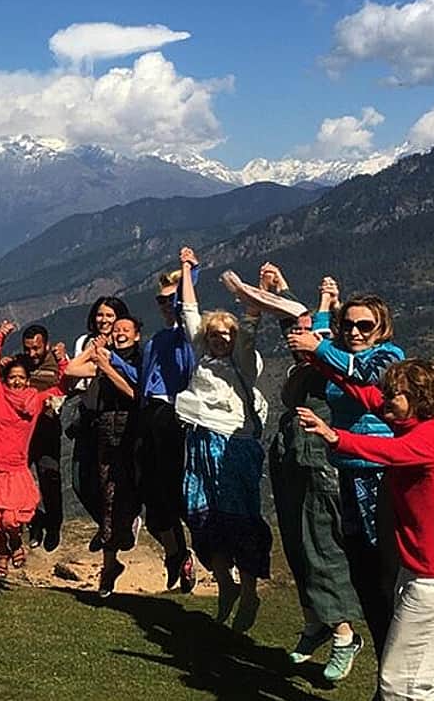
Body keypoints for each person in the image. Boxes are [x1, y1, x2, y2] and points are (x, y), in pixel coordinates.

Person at [298, 359, 434, 701]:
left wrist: (334, 436)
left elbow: (389, 451)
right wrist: (322, 363)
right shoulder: (417, 425)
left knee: (397, 682)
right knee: (423, 678)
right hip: (433, 570)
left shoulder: (431, 438)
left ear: (419, 398)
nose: (386, 398)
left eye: (395, 394)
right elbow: (367, 396)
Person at [287, 288, 404, 674]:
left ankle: (396, 656)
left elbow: (364, 373)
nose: (354, 331)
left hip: (377, 468)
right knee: (359, 561)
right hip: (347, 466)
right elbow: (327, 343)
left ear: (381, 327)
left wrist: (319, 348)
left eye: (364, 325)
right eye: (348, 324)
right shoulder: (340, 351)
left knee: (381, 562)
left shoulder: (389, 356)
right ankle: (380, 655)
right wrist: (325, 308)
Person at [261, 269, 364, 679]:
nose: (299, 338)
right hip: (291, 457)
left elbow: (318, 335)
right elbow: (297, 322)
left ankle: (343, 633)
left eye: (311, 334)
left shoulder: (334, 366)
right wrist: (282, 288)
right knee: (295, 543)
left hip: (320, 462)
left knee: (321, 542)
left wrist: (327, 305)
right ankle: (315, 621)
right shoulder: (305, 363)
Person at [174, 247, 270, 631]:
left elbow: (249, 331)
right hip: (199, 439)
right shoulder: (201, 355)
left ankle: (249, 591)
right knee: (200, 511)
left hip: (233, 443)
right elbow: (189, 312)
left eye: (227, 335)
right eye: (215, 334)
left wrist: (255, 295)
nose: (221, 339)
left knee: (239, 516)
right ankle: (225, 583)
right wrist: (186, 268)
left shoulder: (244, 361)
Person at [0, 321, 65, 580]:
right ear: (5, 380)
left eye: (21, 378)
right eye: (12, 378)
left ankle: (26, 538)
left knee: (14, 515)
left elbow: (64, 386)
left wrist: (63, 361)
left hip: (23, 458)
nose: (17, 381)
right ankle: (3, 551)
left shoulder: (35, 399)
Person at [116, 268, 197, 593]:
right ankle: (176, 553)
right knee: (150, 490)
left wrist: (189, 271)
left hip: (173, 413)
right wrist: (111, 361)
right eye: (161, 300)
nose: (166, 305)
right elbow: (142, 378)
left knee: (170, 489)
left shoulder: (187, 338)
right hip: (149, 412)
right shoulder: (157, 341)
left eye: (171, 299)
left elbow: (189, 315)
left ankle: (199, 554)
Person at [67, 316, 144, 597]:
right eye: (116, 330)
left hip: (132, 431)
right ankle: (109, 563)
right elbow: (71, 369)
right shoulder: (105, 356)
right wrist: (95, 350)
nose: (119, 333)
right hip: (104, 429)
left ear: (136, 335)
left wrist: (108, 368)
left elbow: (135, 393)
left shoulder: (140, 360)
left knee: (131, 490)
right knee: (106, 492)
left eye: (125, 330)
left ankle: (174, 552)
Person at [66, 297, 131, 541]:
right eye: (100, 315)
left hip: (114, 418)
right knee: (80, 481)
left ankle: (117, 527)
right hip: (88, 416)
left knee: (110, 480)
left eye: (109, 316)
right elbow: (72, 373)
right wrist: (92, 350)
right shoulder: (84, 341)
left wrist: (100, 359)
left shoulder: (122, 345)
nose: (103, 320)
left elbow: (79, 369)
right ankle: (106, 524)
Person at [17, 324, 66, 552]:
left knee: (50, 480)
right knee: (19, 483)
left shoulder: (56, 362)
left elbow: (69, 381)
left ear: (46, 345)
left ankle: (53, 526)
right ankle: (34, 520)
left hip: (47, 431)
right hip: (22, 434)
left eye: (36, 348)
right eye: (27, 349)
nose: (31, 354)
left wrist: (63, 358)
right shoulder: (19, 364)